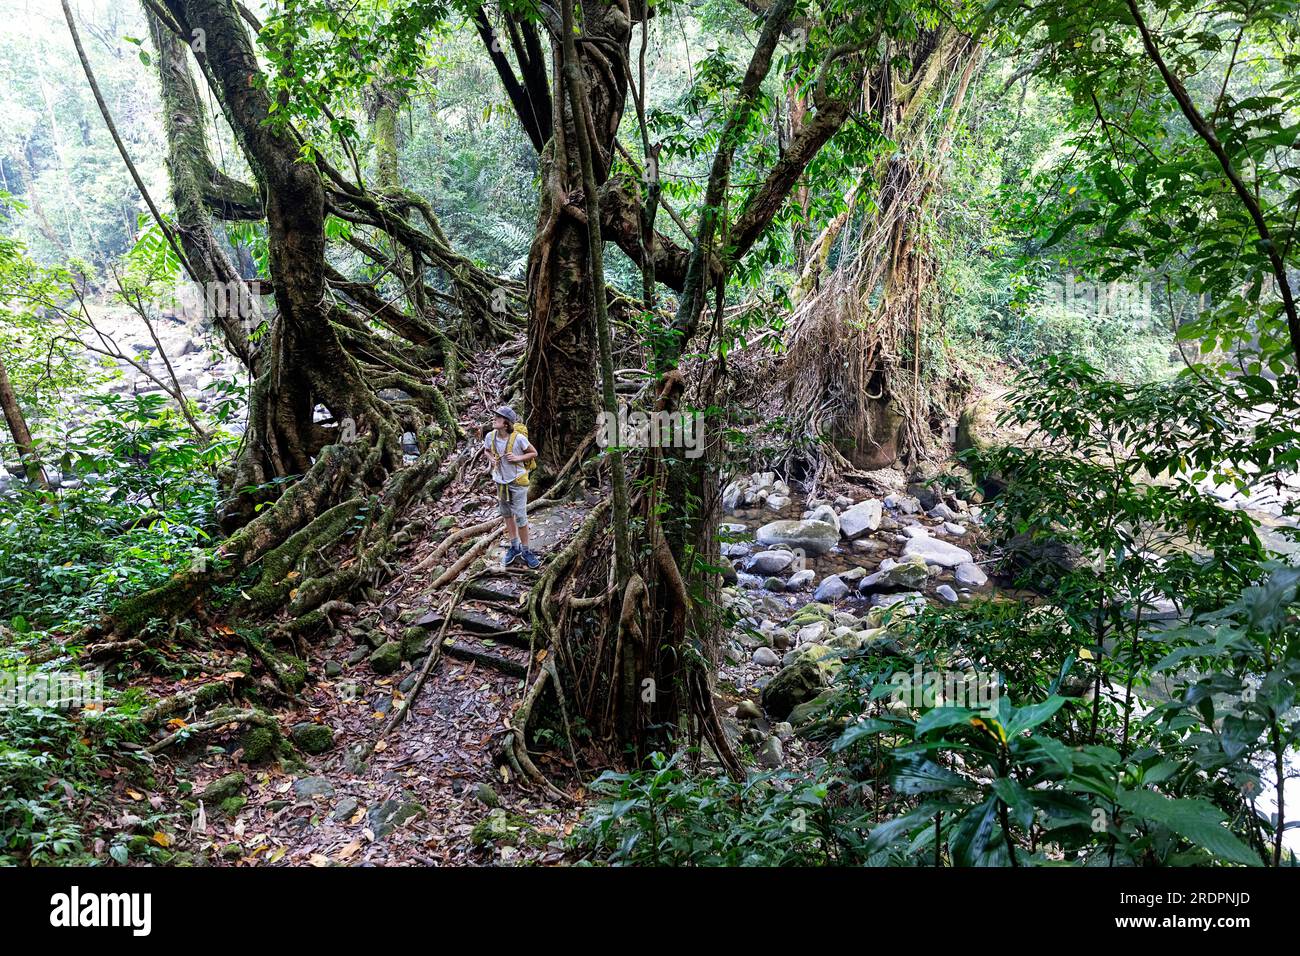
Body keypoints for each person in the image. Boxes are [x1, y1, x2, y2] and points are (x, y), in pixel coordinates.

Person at [483, 405, 540, 568]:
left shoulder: (519, 438)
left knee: (521, 516)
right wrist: (491, 459)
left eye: (498, 418)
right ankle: (514, 547)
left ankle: (526, 550)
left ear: (506, 423)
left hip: (517, 481)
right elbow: (486, 450)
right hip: (500, 481)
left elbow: (534, 453)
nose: (494, 419)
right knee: (507, 514)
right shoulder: (490, 436)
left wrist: (517, 458)